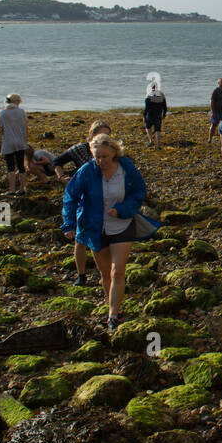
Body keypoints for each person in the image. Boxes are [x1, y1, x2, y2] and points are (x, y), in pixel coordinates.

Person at [61, 133, 161, 332]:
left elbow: (139, 191)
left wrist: (123, 209)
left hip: (122, 225)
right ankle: (113, 309)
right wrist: (69, 223)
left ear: (114, 153)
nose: (101, 161)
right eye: (97, 156)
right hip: (94, 227)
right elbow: (70, 196)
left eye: (105, 157)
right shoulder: (87, 171)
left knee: (118, 271)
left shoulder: (126, 168)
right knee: (105, 273)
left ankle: (113, 315)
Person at [52, 120, 112, 286]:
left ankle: (106, 275)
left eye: (107, 135)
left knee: (104, 240)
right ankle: (81, 275)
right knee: (81, 240)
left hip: (105, 203)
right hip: (84, 201)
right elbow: (56, 161)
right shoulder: (80, 150)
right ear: (91, 135)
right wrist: (61, 177)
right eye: (100, 134)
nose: (103, 138)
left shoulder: (111, 151)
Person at [0, 93, 28, 195]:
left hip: (8, 142)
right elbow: (25, 127)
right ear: (17, 102)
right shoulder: (21, 112)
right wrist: (25, 140)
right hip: (20, 142)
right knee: (21, 166)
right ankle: (22, 188)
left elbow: (0, 130)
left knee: (10, 167)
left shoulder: (3, 113)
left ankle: (12, 190)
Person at [143, 82, 167, 147]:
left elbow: (146, 108)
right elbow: (165, 106)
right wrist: (164, 114)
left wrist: (144, 115)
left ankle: (151, 140)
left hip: (150, 114)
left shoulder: (149, 95)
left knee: (148, 127)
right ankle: (158, 144)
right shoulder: (161, 95)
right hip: (158, 114)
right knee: (158, 129)